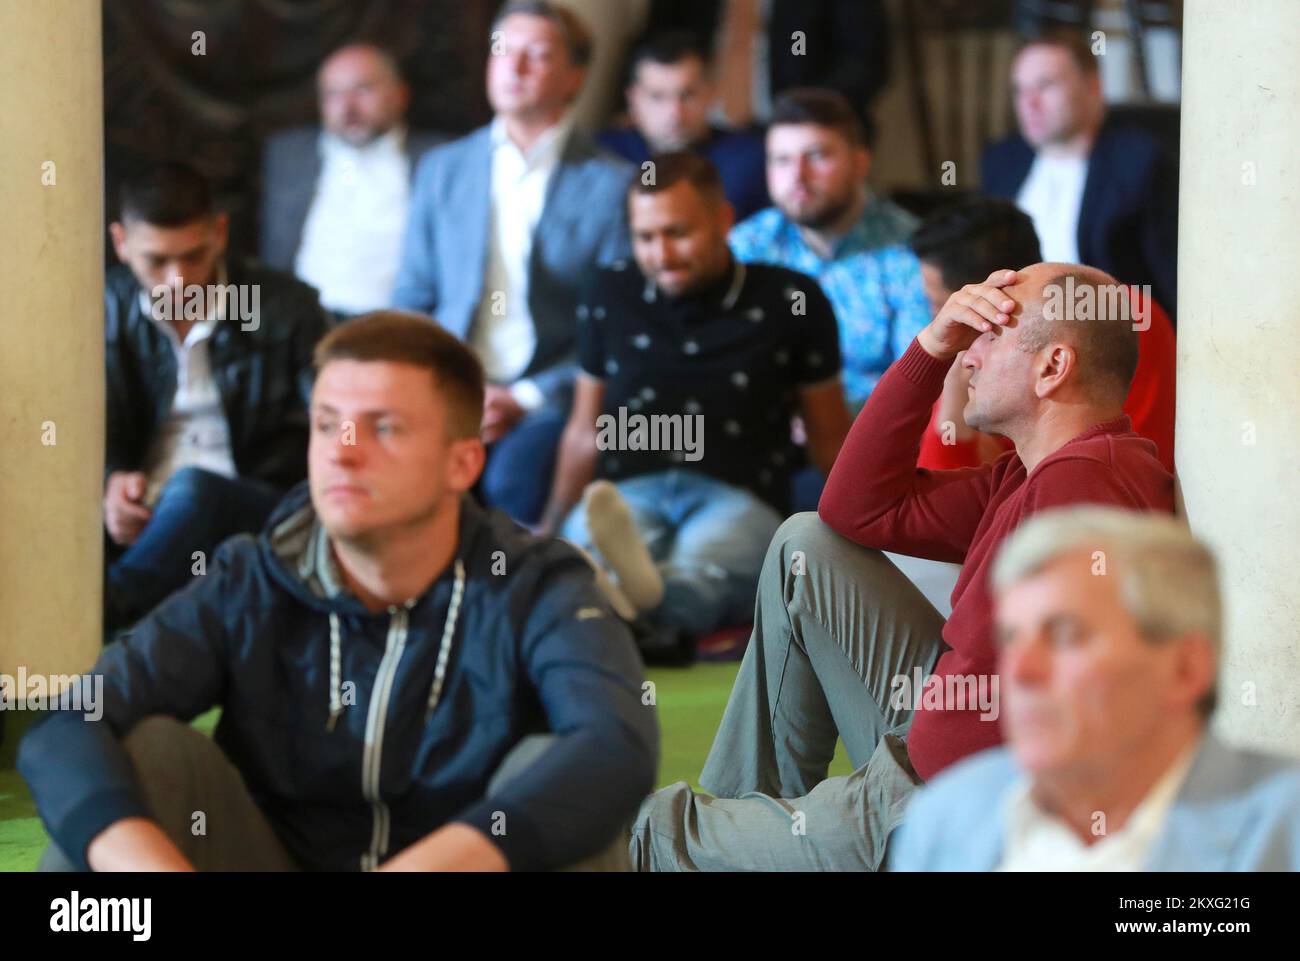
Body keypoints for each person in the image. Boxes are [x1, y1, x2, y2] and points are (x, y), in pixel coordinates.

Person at [20, 311, 658, 873]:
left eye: (382, 428)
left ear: (462, 463)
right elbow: (68, 725)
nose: (342, 454)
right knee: (147, 755)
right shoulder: (252, 578)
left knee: (562, 787)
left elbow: (614, 745)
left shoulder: (533, 581)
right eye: (328, 425)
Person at [629, 261, 1175, 871]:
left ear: (1052, 367)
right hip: (939, 751)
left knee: (646, 831)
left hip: (951, 806)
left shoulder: (1081, 485)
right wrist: (929, 349)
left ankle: (745, 843)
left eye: (989, 335)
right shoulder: (1037, 471)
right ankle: (754, 832)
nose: (968, 356)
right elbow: (855, 508)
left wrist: (881, 813)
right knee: (806, 547)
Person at [538, 153, 850, 659]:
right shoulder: (608, 290)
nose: (661, 254)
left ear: (724, 220)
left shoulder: (793, 298)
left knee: (702, 572)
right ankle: (649, 612)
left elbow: (829, 439)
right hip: (625, 493)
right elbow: (583, 428)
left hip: (737, 495)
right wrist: (551, 527)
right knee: (593, 551)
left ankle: (627, 605)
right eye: (645, 237)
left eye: (678, 233)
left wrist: (863, 539)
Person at [892, 506, 1300, 871]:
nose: (1018, 671)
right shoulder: (943, 820)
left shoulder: (1283, 832)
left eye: (1065, 635)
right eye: (1011, 638)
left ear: (1184, 669)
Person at [393, 0, 633, 526]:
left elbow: (617, 328)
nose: (514, 66)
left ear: (573, 77)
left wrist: (522, 398)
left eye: (538, 55)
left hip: (552, 394)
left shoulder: (613, 183)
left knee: (509, 484)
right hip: (452, 385)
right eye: (501, 50)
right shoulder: (444, 168)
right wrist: (453, 388)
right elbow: (411, 300)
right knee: (405, 481)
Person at [103, 163, 328, 631]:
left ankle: (110, 608)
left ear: (220, 233)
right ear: (121, 242)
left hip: (254, 507)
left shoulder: (285, 308)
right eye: (157, 261)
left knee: (194, 487)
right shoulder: (98, 310)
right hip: (145, 516)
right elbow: (64, 431)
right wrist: (108, 486)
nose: (178, 280)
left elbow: (335, 415)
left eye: (193, 256)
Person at [910, 198, 1176, 473]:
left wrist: (953, 403)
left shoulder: (1118, 314)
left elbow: (954, 503)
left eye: (941, 305)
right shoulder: (991, 352)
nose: (939, 321)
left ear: (991, 293)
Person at [982, 29, 1178, 319]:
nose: (1029, 103)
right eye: (1020, 90)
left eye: (1045, 86)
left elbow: (1169, 280)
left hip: (1113, 334)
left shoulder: (1140, 163)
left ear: (1092, 86)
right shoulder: (1001, 161)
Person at [260, 44, 444, 317]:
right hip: (306, 319)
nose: (347, 106)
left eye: (363, 89)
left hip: (398, 323)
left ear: (401, 95)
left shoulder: (439, 159)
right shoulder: (287, 154)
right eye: (333, 94)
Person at [599, 31, 769, 221]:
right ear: (633, 100)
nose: (675, 113)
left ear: (711, 92)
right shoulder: (603, 156)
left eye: (687, 95)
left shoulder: (750, 160)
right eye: (657, 96)